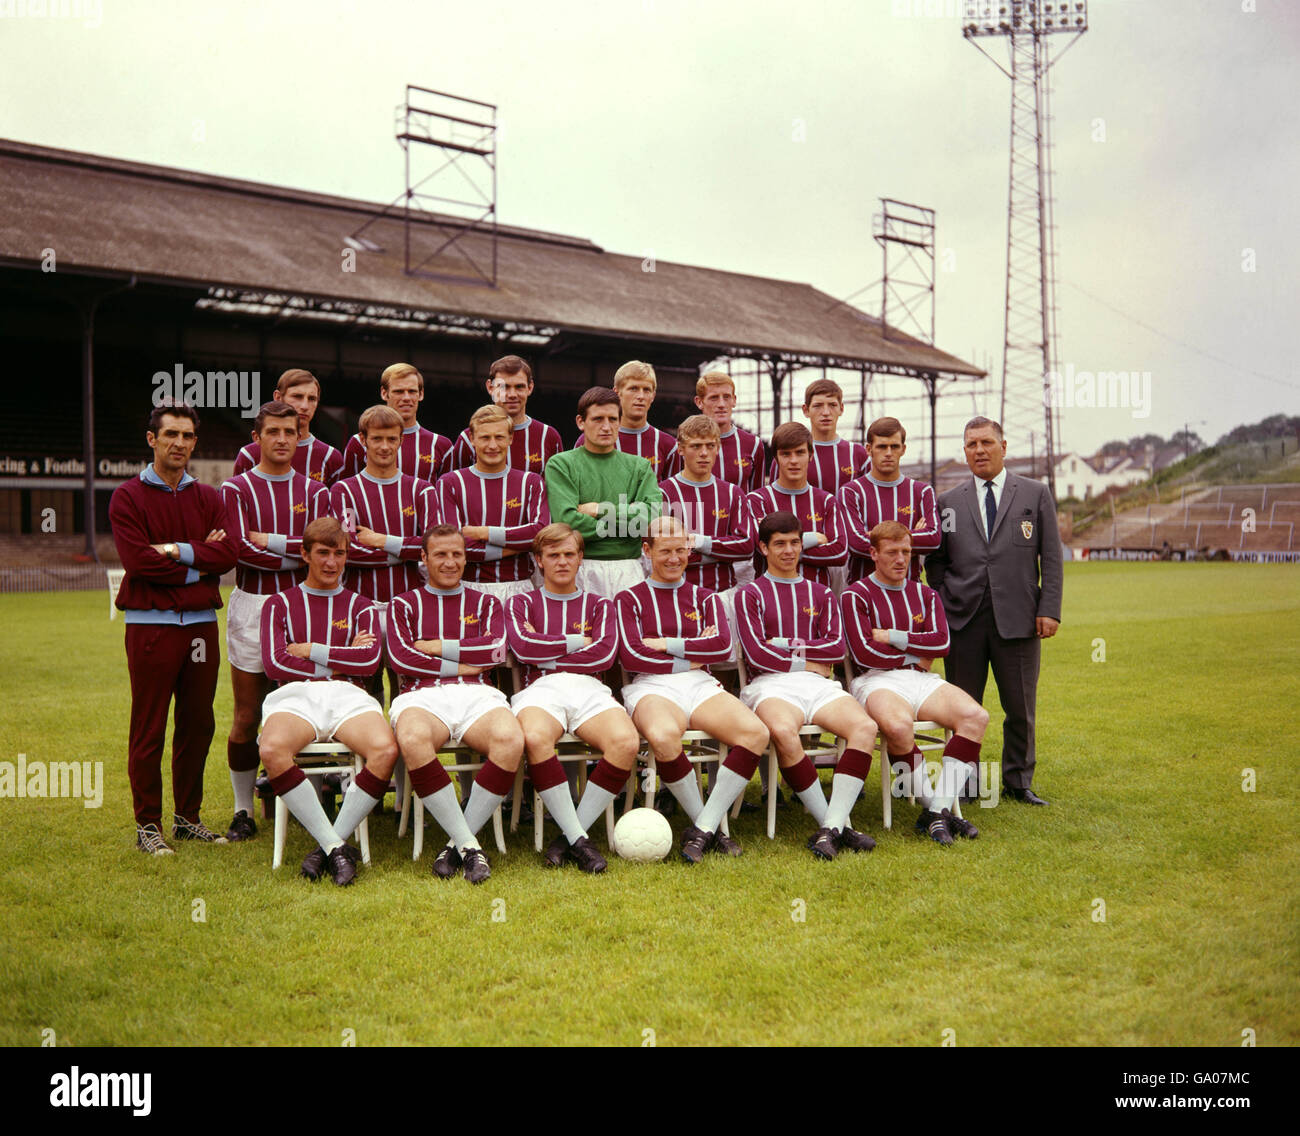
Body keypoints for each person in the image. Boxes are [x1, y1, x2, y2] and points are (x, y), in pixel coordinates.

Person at [110, 402, 239, 854]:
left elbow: (226, 556)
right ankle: (148, 824)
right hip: (150, 628)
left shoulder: (208, 497)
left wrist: (176, 552)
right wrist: (197, 562)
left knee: (198, 723)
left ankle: (188, 817)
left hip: (201, 628)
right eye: (171, 435)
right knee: (150, 727)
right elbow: (138, 562)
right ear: (153, 439)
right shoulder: (127, 497)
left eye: (187, 436)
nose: (179, 443)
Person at [616, 515, 770, 863]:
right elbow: (633, 656)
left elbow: (720, 648)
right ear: (647, 550)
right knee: (663, 735)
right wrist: (690, 653)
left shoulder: (707, 598)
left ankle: (702, 828)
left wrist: (664, 644)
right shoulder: (628, 599)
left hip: (700, 685)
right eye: (665, 550)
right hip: (651, 686)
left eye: (681, 549)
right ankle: (711, 829)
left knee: (755, 733)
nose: (675, 558)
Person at [925, 416, 1063, 805]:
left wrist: (1049, 608)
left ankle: (1018, 781)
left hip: (1018, 618)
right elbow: (936, 562)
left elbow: (1051, 557)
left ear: (1004, 447)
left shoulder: (1034, 494)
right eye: (971, 444)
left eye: (986, 442)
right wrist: (942, 600)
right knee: (964, 707)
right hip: (963, 620)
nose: (979, 450)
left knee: (1019, 706)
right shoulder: (948, 501)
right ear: (964, 451)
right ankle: (964, 783)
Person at [258, 517, 398, 885]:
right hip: (294, 694)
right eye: (323, 552)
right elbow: (275, 662)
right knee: (272, 750)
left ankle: (327, 846)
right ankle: (337, 848)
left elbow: (367, 663)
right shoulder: (279, 604)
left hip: (349, 693)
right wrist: (339, 658)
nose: (332, 562)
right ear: (305, 554)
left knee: (384, 750)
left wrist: (309, 652)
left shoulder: (362, 606)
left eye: (339, 553)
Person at [734, 511, 878, 859]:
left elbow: (836, 647)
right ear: (763, 548)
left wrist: (783, 645)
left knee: (864, 726)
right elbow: (757, 655)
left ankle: (831, 827)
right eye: (779, 544)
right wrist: (808, 659)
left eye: (795, 542)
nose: (788, 550)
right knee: (783, 732)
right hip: (770, 686)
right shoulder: (748, 594)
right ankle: (836, 825)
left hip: (818, 684)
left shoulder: (822, 593)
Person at [387, 524, 523, 883]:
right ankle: (470, 846)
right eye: (440, 555)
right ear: (423, 559)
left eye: (457, 554)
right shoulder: (402, 604)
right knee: (414, 738)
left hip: (477, 692)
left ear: (466, 557)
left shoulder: (487, 602)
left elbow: (494, 651)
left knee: (510, 739)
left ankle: (454, 845)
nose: (450, 562)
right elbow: (404, 659)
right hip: (420, 694)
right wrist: (465, 659)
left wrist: (436, 646)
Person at [219, 400, 330, 841]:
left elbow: (323, 552)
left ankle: (311, 804)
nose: (283, 439)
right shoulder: (235, 489)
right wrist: (298, 552)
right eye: (274, 432)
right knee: (247, 715)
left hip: (307, 608)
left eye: (291, 432)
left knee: (308, 711)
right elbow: (240, 551)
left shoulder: (317, 492)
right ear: (257, 438)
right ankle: (243, 809)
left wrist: (277, 544)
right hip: (254, 604)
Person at [506, 522, 640, 872]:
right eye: (553, 555)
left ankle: (567, 836)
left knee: (625, 742)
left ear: (581, 558)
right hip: (540, 689)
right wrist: (578, 641)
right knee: (534, 738)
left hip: (589, 688)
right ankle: (580, 841)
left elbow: (604, 655)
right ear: (538, 560)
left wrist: (547, 644)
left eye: (569, 554)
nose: (562, 561)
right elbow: (522, 647)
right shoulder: (522, 601)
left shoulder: (600, 605)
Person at [842, 521, 986, 845]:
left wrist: (894, 638)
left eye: (906, 551)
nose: (900, 559)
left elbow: (941, 644)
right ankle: (941, 814)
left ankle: (936, 813)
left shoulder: (926, 594)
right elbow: (865, 652)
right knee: (897, 726)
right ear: (873, 553)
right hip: (876, 681)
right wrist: (913, 653)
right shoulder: (855, 594)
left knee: (976, 717)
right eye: (892, 552)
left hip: (922, 678)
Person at [329, 405, 440, 699]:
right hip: (359, 606)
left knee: (410, 694)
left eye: (391, 439)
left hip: (410, 607)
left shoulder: (422, 490)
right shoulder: (344, 491)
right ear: (363, 440)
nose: (384, 446)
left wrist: (382, 540)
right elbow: (347, 549)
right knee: (363, 695)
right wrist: (408, 549)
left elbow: (434, 548)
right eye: (377, 438)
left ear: (401, 440)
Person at [544, 386, 660, 599]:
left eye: (612, 419)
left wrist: (598, 509)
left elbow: (650, 519)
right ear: (581, 422)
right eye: (598, 419)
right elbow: (567, 522)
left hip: (630, 569)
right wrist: (627, 524)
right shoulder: (561, 464)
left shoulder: (640, 467)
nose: (606, 427)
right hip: (581, 568)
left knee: (628, 632)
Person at [437, 404, 549, 606]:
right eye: (485, 437)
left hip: (520, 588)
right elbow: (453, 545)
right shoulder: (450, 483)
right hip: (466, 587)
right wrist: (517, 547)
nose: (492, 445)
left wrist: (484, 533)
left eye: (499, 437)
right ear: (471, 439)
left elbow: (540, 534)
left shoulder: (531, 483)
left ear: (511, 438)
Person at [659, 414, 754, 597]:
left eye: (710, 446)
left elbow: (747, 546)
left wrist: (698, 541)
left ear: (717, 448)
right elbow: (663, 554)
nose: (704, 453)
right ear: (680, 449)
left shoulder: (733, 493)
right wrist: (722, 553)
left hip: (723, 594)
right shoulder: (663, 493)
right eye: (696, 446)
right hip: (676, 596)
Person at [744, 421, 847, 591]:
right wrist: (813, 538)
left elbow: (840, 553)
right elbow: (759, 547)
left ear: (811, 455)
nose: (793, 461)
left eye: (800, 453)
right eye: (786, 454)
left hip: (817, 601)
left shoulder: (826, 500)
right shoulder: (756, 500)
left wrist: (778, 547)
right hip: (770, 599)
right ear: (776, 458)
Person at [839, 416, 939, 584]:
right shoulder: (850, 492)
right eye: (882, 447)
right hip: (864, 595)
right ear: (869, 449)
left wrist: (875, 538)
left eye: (894, 446)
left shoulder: (922, 492)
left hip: (910, 594)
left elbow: (933, 538)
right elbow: (856, 543)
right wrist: (909, 542)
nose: (888, 453)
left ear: (903, 449)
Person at [448, 354, 563, 476]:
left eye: (519, 387)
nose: (512, 394)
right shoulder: (468, 439)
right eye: (504, 387)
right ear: (490, 387)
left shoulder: (548, 437)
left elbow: (557, 489)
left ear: (530, 387)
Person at [340, 363, 451, 484]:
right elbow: (349, 490)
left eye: (412, 391)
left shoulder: (441, 445)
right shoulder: (359, 443)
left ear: (421, 394)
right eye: (399, 391)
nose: (406, 397)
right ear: (384, 393)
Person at [233, 368, 344, 486]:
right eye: (297, 396)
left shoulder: (331, 457)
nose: (305, 406)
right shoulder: (250, 455)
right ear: (278, 398)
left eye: (312, 399)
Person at [665, 371, 765, 493]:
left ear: (734, 400)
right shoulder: (682, 446)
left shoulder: (753, 444)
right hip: (693, 512)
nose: (721, 404)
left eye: (726, 397)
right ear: (699, 402)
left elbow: (757, 497)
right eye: (714, 398)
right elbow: (671, 492)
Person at [573, 360, 676, 478]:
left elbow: (673, 493)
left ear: (653, 396)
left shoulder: (668, 445)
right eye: (633, 388)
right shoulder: (589, 441)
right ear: (617, 393)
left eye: (646, 390)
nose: (641, 396)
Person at [768, 378, 869, 494]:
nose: (826, 412)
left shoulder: (858, 454)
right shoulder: (788, 455)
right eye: (818, 406)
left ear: (841, 409)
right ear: (806, 410)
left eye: (832, 405)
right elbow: (774, 497)